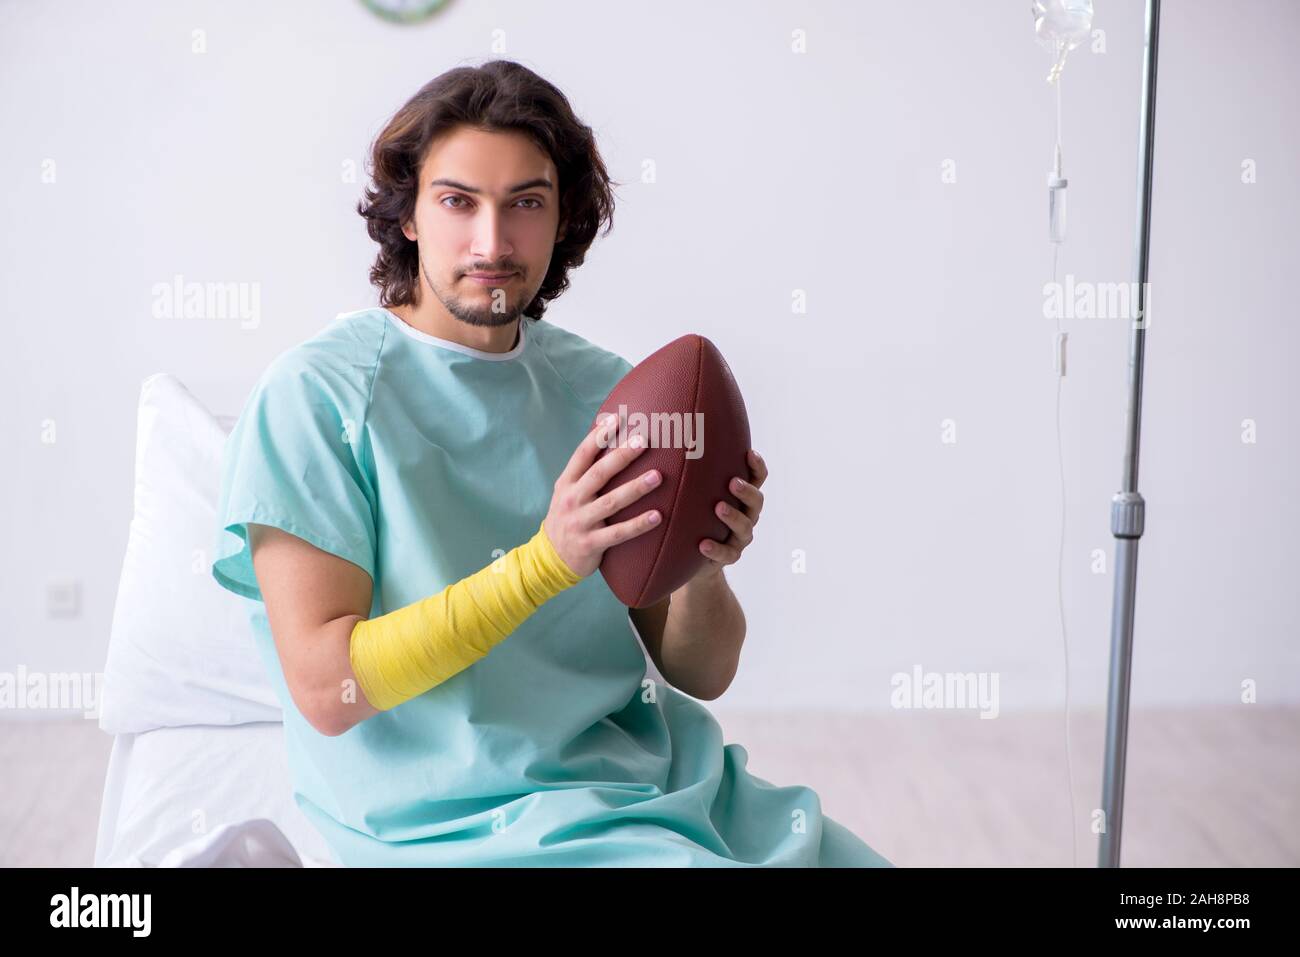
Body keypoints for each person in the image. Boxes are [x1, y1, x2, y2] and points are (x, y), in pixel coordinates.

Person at [211, 59, 891, 867]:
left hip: (656, 784)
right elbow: (329, 690)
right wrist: (546, 561)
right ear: (411, 216)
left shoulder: (607, 392)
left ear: (563, 217)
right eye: (458, 201)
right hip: (457, 820)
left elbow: (700, 672)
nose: (492, 242)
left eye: (525, 203)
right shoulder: (316, 396)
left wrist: (702, 560)